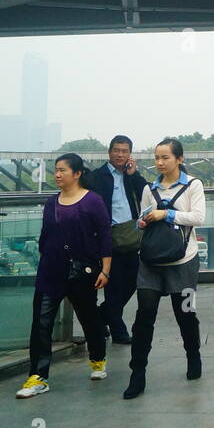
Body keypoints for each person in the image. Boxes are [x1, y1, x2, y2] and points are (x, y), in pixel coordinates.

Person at [16, 153, 112, 398]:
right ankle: (37, 376)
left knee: (89, 317)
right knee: (41, 322)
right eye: (55, 170)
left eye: (62, 170)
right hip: (51, 269)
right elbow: (45, 235)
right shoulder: (51, 202)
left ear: (77, 174)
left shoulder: (93, 201)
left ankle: (98, 359)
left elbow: (104, 236)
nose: (57, 175)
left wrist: (105, 270)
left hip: (82, 271)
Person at [123, 138, 207, 400]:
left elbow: (198, 217)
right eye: (157, 158)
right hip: (151, 262)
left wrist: (166, 215)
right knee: (144, 316)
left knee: (186, 313)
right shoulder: (150, 188)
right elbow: (141, 218)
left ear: (179, 159)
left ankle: (193, 356)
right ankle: (137, 374)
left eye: (165, 157)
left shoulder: (194, 185)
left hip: (184, 263)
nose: (159, 162)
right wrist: (145, 221)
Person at [90, 135, 148, 345]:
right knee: (113, 286)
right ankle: (118, 330)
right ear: (109, 152)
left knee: (133, 282)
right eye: (116, 150)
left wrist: (134, 175)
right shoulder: (97, 177)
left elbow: (147, 194)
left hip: (131, 237)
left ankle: (99, 318)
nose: (120, 154)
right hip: (108, 237)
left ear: (130, 154)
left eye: (124, 151)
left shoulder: (130, 176)